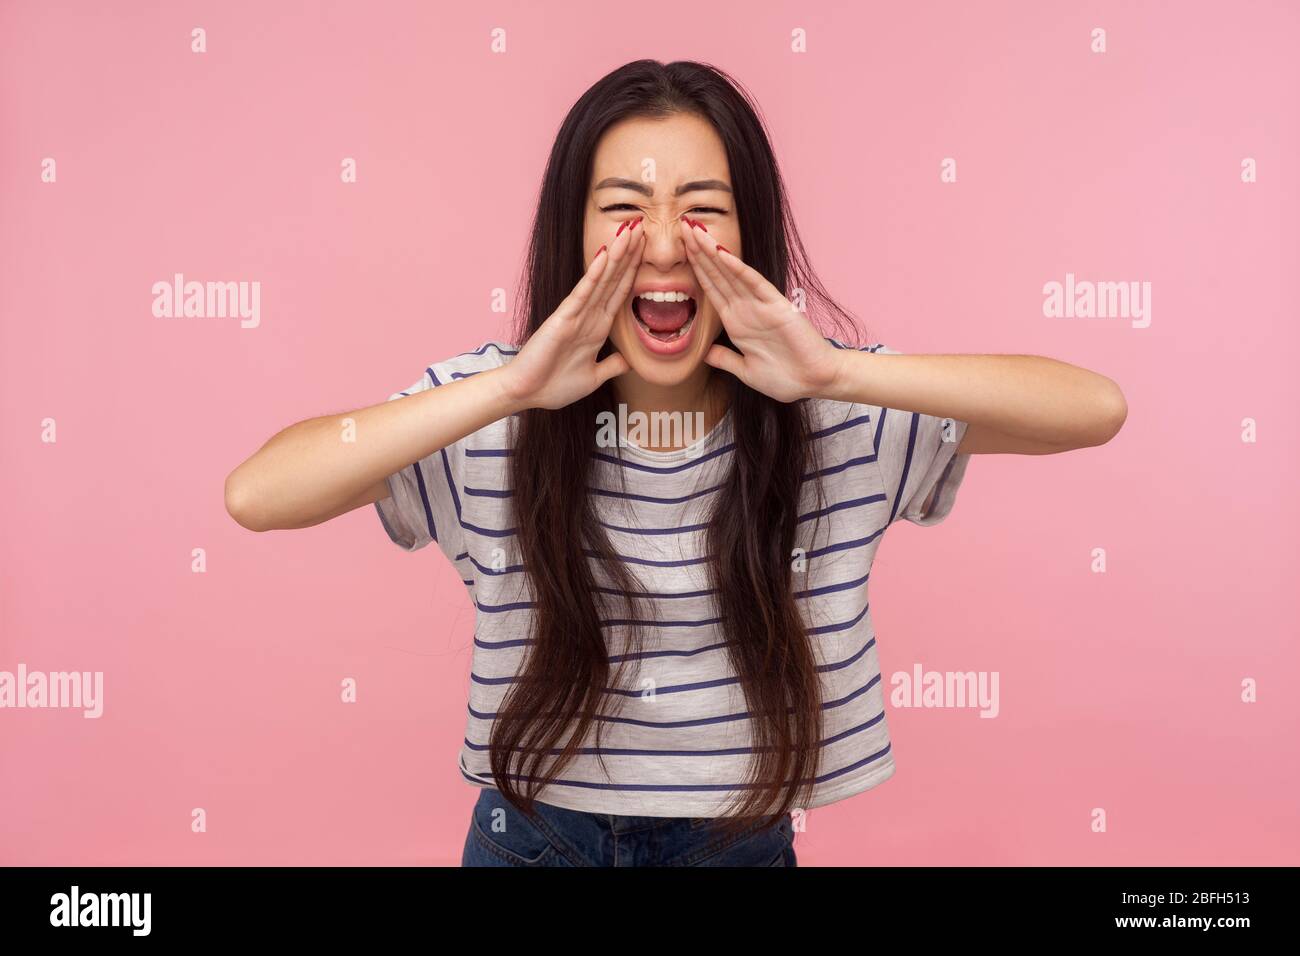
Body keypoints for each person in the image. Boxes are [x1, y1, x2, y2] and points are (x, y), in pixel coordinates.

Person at [223, 60, 1127, 867]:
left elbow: (1093, 409)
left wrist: (835, 368)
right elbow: (259, 494)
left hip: (743, 845)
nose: (662, 245)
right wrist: (507, 390)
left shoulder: (837, 411)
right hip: (536, 841)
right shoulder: (492, 411)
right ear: (571, 237)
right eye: (623, 209)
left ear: (753, 231)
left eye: (702, 210)